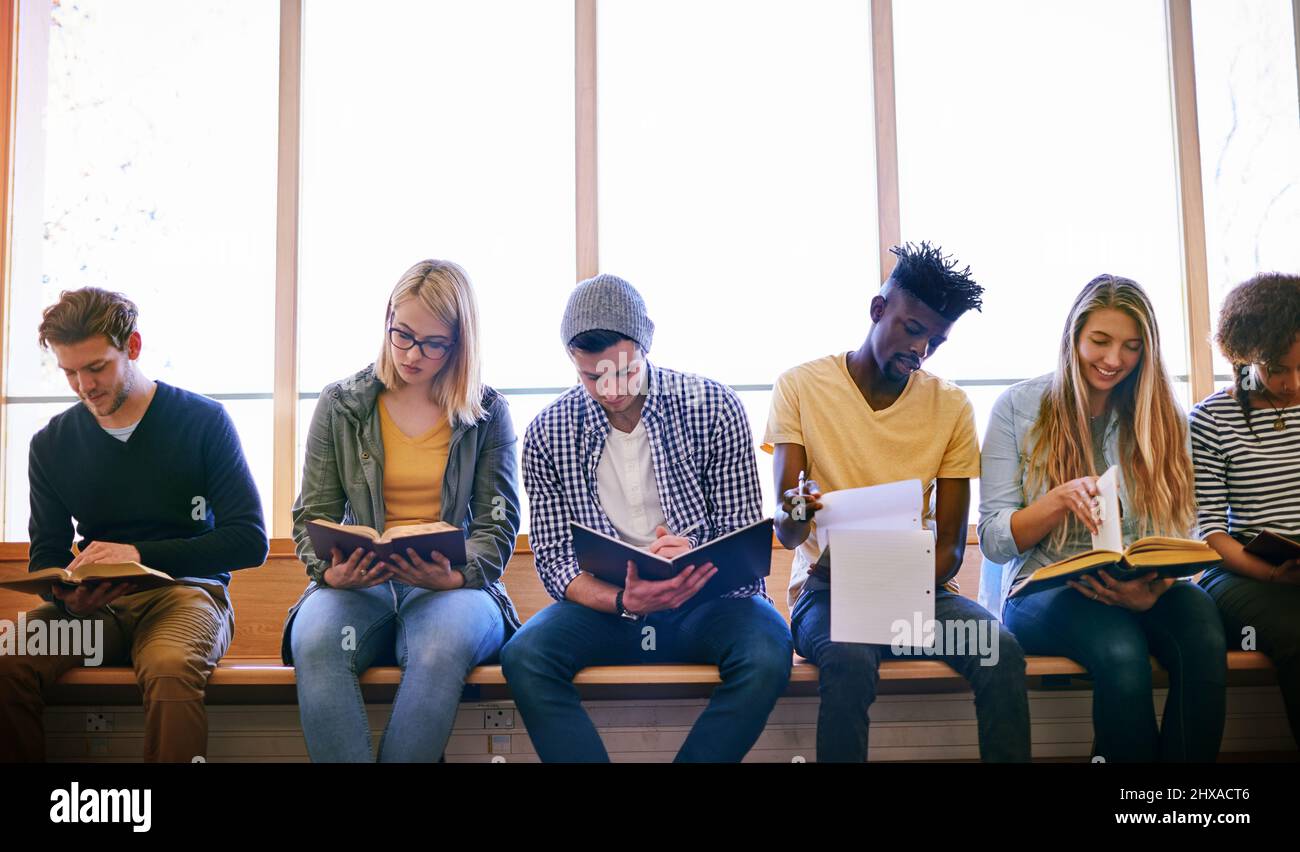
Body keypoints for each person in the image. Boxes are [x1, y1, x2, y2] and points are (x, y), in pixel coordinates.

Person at [500, 273, 793, 762]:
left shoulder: (714, 406)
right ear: (572, 362)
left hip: (711, 601)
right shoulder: (547, 433)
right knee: (524, 657)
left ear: (646, 345)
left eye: (625, 371)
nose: (611, 389)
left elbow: (744, 539)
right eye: (593, 377)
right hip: (609, 610)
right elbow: (553, 560)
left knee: (767, 654)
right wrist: (621, 598)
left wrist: (698, 561)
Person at [768, 242, 1030, 763]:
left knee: (1000, 651)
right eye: (914, 329)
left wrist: (893, 580)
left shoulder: (951, 406)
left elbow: (952, 550)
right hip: (827, 592)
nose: (922, 350)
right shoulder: (801, 386)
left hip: (920, 591)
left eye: (936, 340)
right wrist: (798, 510)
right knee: (847, 659)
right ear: (878, 309)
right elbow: (788, 532)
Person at [0, 287, 268, 762]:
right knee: (5, 658)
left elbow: (249, 541)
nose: (85, 385)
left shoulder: (203, 421)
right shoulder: (51, 444)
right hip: (93, 617)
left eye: (97, 367)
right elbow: (47, 554)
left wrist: (141, 556)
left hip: (184, 596)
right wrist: (64, 594)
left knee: (168, 668)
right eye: (70, 372)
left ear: (134, 348)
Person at [979, 274, 1225, 762]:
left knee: (1203, 631)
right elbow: (993, 539)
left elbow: (1181, 533)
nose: (1114, 359)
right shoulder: (1017, 408)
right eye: (1100, 341)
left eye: (1131, 347)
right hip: (1046, 587)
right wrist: (1055, 502)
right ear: (1074, 336)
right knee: (1121, 652)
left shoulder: (1163, 416)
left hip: (1142, 582)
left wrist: (1151, 588)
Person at [285, 259, 521, 762]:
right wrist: (330, 571)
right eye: (403, 334)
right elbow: (313, 515)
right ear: (387, 317)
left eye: (434, 343)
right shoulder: (341, 405)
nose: (413, 354)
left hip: (456, 585)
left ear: (460, 343)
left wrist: (457, 577)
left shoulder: (487, 412)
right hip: (360, 582)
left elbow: (496, 525)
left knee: (438, 650)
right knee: (318, 644)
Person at [1191, 272, 1300, 745]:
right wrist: (1272, 575)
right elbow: (1211, 530)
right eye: (1279, 369)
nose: (1293, 383)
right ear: (1243, 354)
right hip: (1240, 569)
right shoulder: (1211, 418)